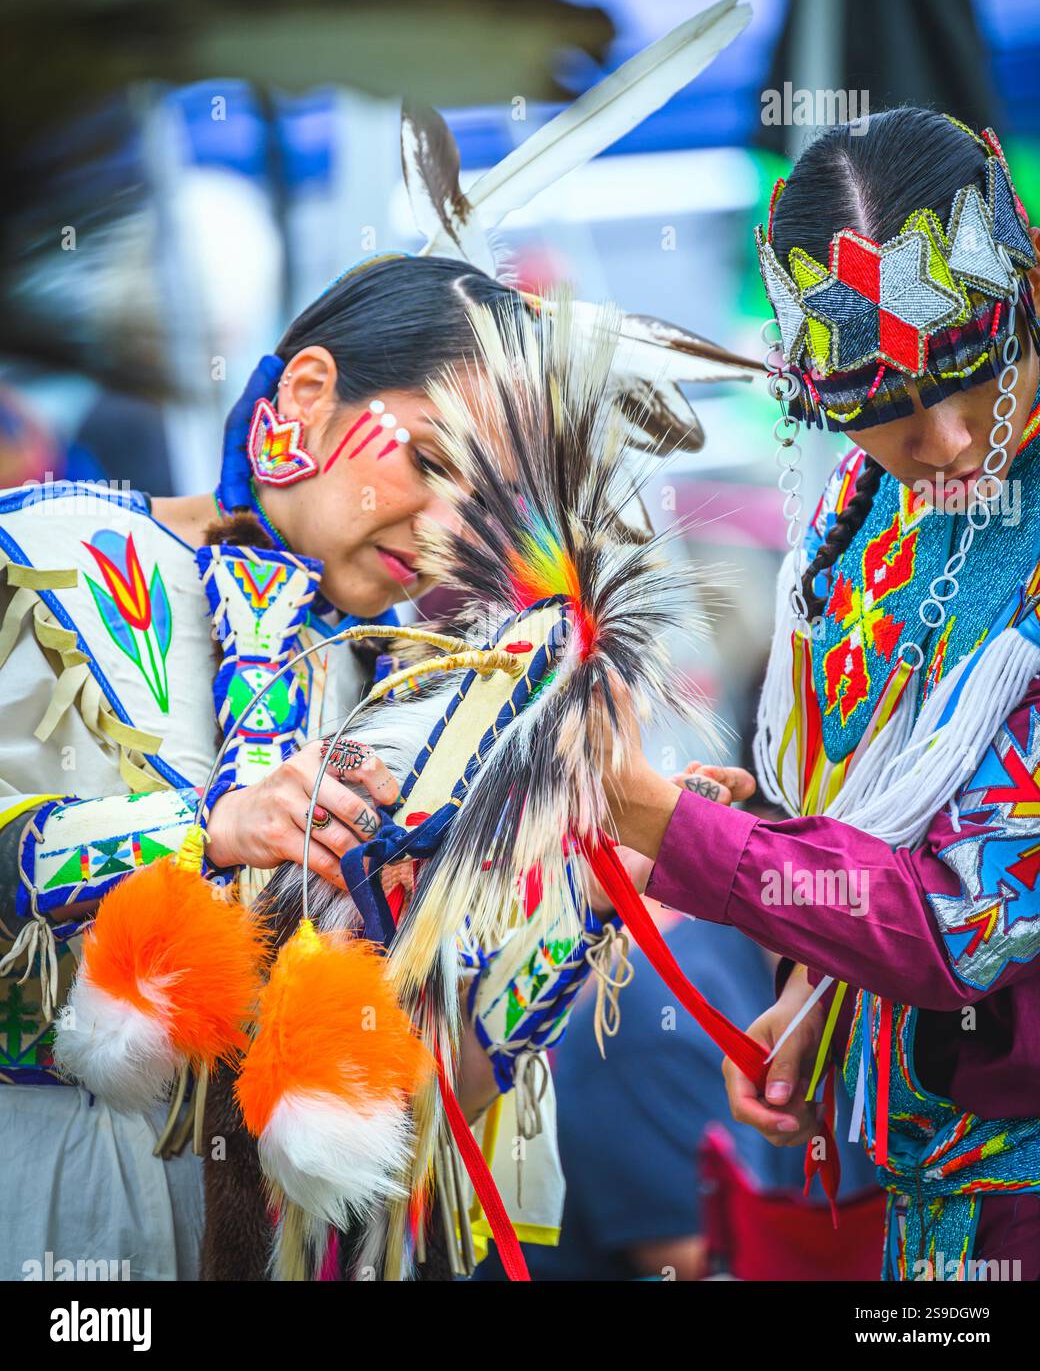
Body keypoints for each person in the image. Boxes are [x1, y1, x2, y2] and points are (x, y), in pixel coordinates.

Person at [0, 254, 623, 1281]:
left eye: (482, 509)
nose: (442, 535)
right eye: (427, 461)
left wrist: (589, 897)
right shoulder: (53, 559)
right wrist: (205, 828)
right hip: (47, 1203)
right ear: (307, 395)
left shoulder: (404, 700)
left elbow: (414, 1095)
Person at [601, 109, 1040, 1281]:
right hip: (922, 1175)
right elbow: (861, 819)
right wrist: (811, 994)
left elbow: (964, 921)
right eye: (883, 419)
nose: (948, 443)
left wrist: (675, 830)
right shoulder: (852, 514)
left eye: (979, 380)